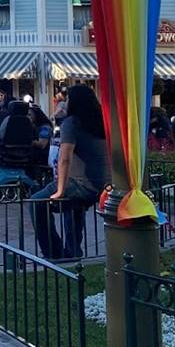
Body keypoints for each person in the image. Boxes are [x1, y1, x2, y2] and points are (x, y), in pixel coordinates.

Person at [29, 84, 109, 261]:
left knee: (36, 202)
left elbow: (65, 157)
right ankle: (73, 252)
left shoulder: (71, 123)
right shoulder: (102, 120)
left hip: (82, 182)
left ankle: (53, 252)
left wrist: (59, 189)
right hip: (104, 184)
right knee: (73, 206)